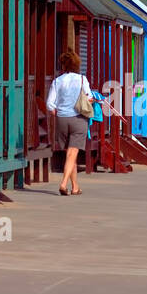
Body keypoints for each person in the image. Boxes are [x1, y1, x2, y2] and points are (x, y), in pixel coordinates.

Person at [46, 51, 91, 196]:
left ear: (63, 65)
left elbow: (49, 104)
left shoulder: (57, 81)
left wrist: (58, 113)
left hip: (62, 120)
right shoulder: (82, 80)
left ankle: (75, 187)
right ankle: (63, 184)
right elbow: (89, 97)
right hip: (78, 119)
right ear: (77, 64)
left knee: (70, 156)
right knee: (72, 154)